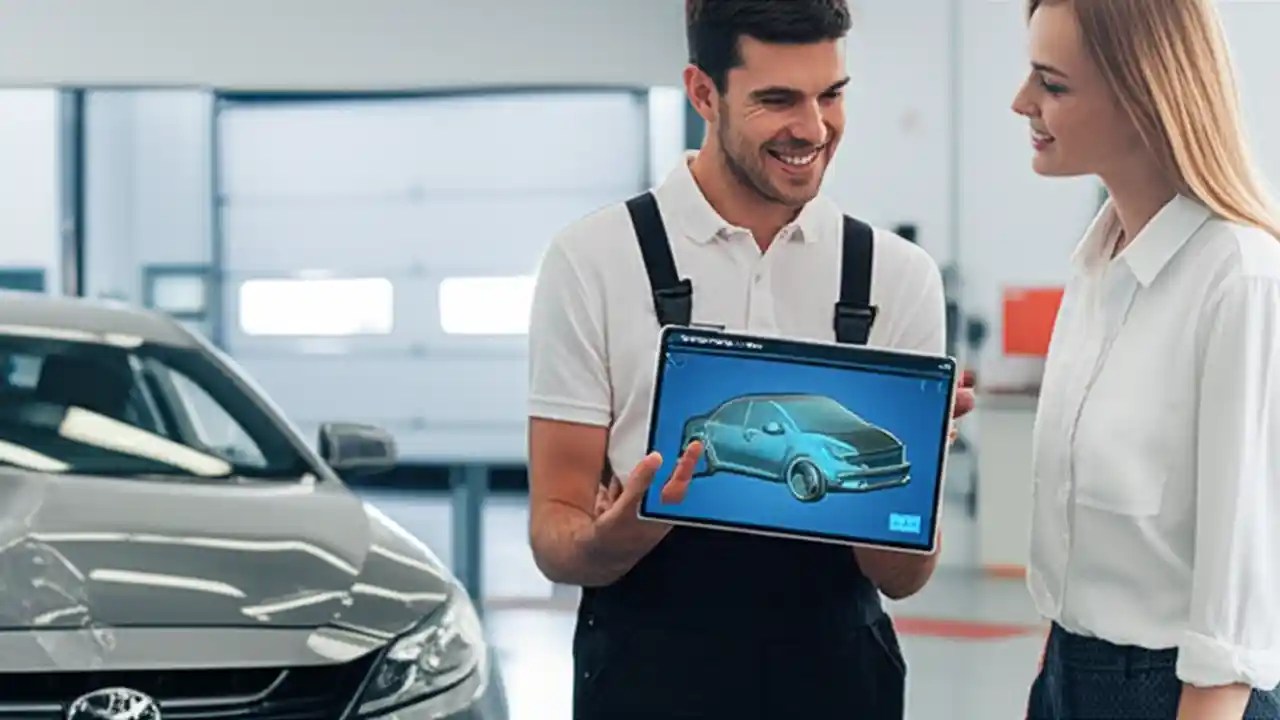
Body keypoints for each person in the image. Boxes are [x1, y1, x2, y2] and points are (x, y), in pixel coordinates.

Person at [526, 1, 974, 718]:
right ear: (704, 93)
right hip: (648, 668)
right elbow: (554, 535)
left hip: (837, 674)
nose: (814, 128)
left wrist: (917, 476)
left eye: (831, 94)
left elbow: (901, 578)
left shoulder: (896, 276)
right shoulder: (594, 260)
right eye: (778, 100)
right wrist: (615, 539)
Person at [1011, 0, 1280, 718]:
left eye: (1052, 84)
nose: (1022, 103)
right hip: (1067, 674)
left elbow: (1234, 620)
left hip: (1182, 696)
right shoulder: (1098, 265)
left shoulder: (1241, 279)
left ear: (1144, 95)